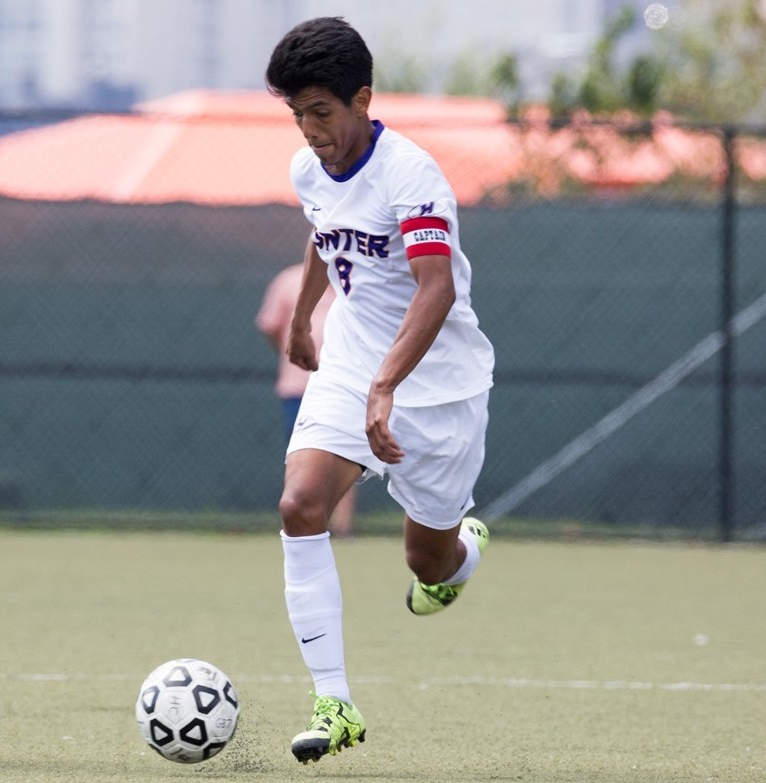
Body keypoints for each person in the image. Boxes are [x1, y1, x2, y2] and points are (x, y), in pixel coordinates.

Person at [264, 16, 496, 765]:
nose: (308, 129)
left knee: (424, 562)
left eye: (321, 112)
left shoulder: (414, 175)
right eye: (296, 113)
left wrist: (388, 385)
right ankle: (335, 702)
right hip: (356, 360)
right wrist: (304, 317)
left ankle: (461, 552)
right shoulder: (309, 169)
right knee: (301, 502)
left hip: (441, 387)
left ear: (362, 98)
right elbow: (323, 232)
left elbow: (433, 289)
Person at [256, 264, 356, 537]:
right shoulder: (288, 280)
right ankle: (301, 526)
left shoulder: (360, 276)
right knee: (301, 456)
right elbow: (270, 324)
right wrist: (294, 348)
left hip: (347, 385)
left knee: (345, 453)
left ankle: (341, 528)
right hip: (298, 387)